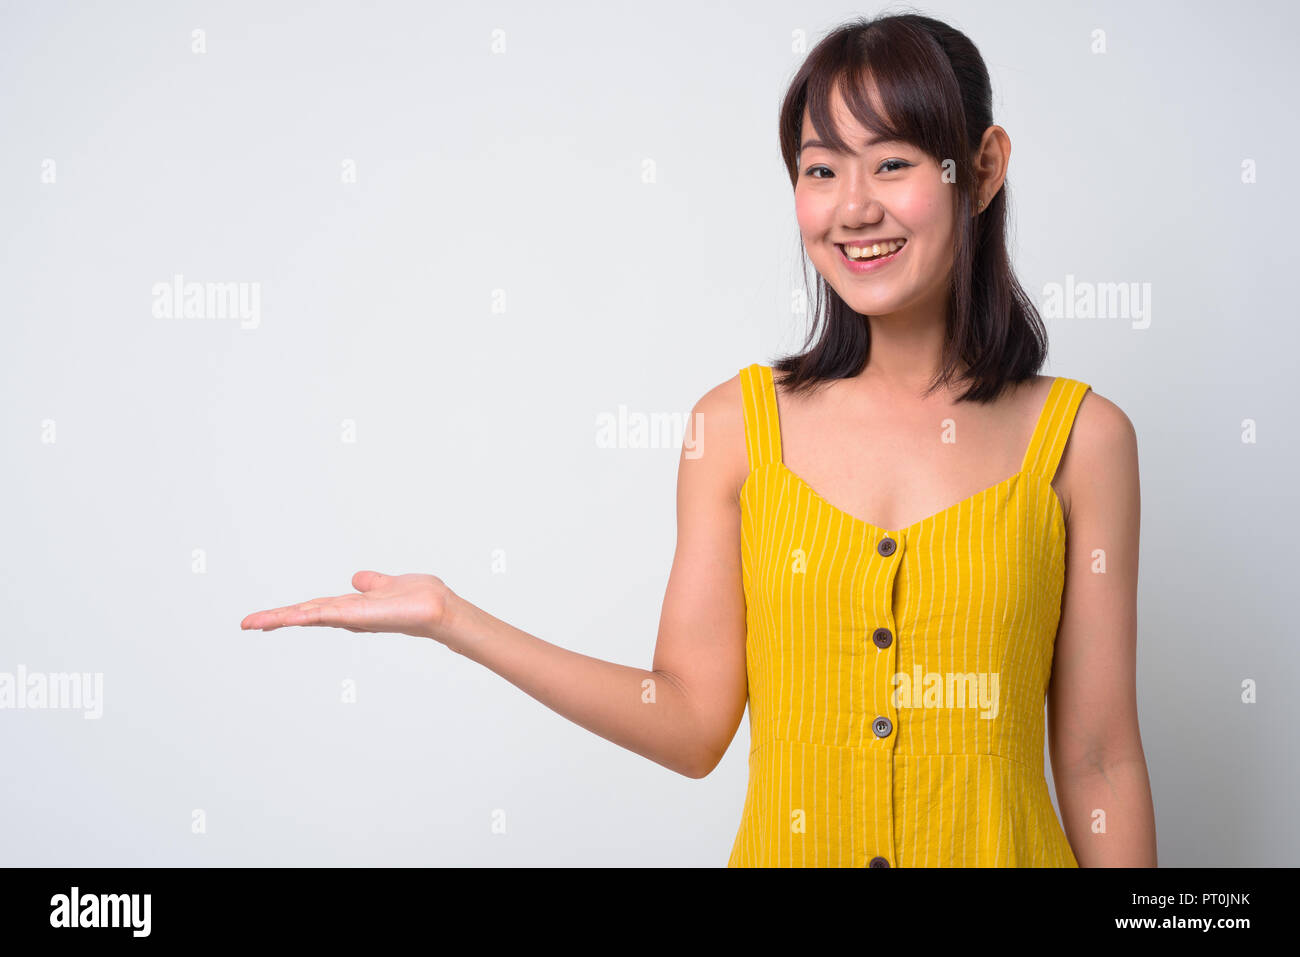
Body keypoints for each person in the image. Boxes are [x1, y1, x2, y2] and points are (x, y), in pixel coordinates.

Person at [241, 12, 1156, 867]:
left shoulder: (1083, 440)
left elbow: (1100, 756)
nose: (852, 208)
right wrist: (454, 618)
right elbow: (688, 722)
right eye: (820, 169)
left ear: (982, 169)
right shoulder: (732, 429)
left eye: (893, 164)